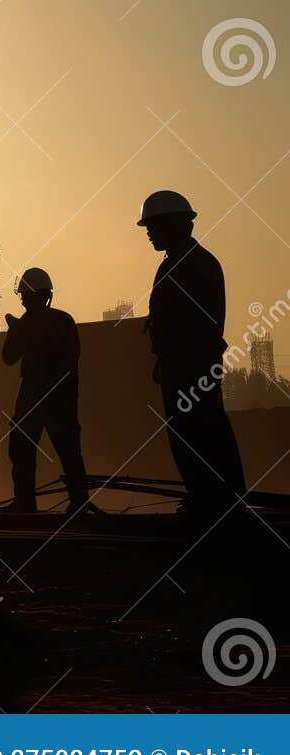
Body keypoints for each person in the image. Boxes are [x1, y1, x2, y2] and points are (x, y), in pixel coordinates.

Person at [139, 190, 246, 521]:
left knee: (202, 427)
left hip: (193, 365)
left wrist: (181, 360)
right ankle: (209, 496)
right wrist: (162, 358)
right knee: (191, 428)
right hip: (181, 364)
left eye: (153, 227)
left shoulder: (194, 265)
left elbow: (192, 323)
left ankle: (218, 499)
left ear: (174, 225)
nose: (149, 233)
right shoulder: (180, 263)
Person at [0, 267, 90, 514]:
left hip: (34, 398)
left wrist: (16, 331)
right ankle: (79, 501)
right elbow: (74, 357)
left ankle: (26, 502)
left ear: (28, 297)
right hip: (62, 398)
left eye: (23, 296)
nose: (22, 300)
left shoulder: (28, 323)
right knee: (69, 450)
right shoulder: (64, 320)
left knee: (22, 448)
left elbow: (8, 358)